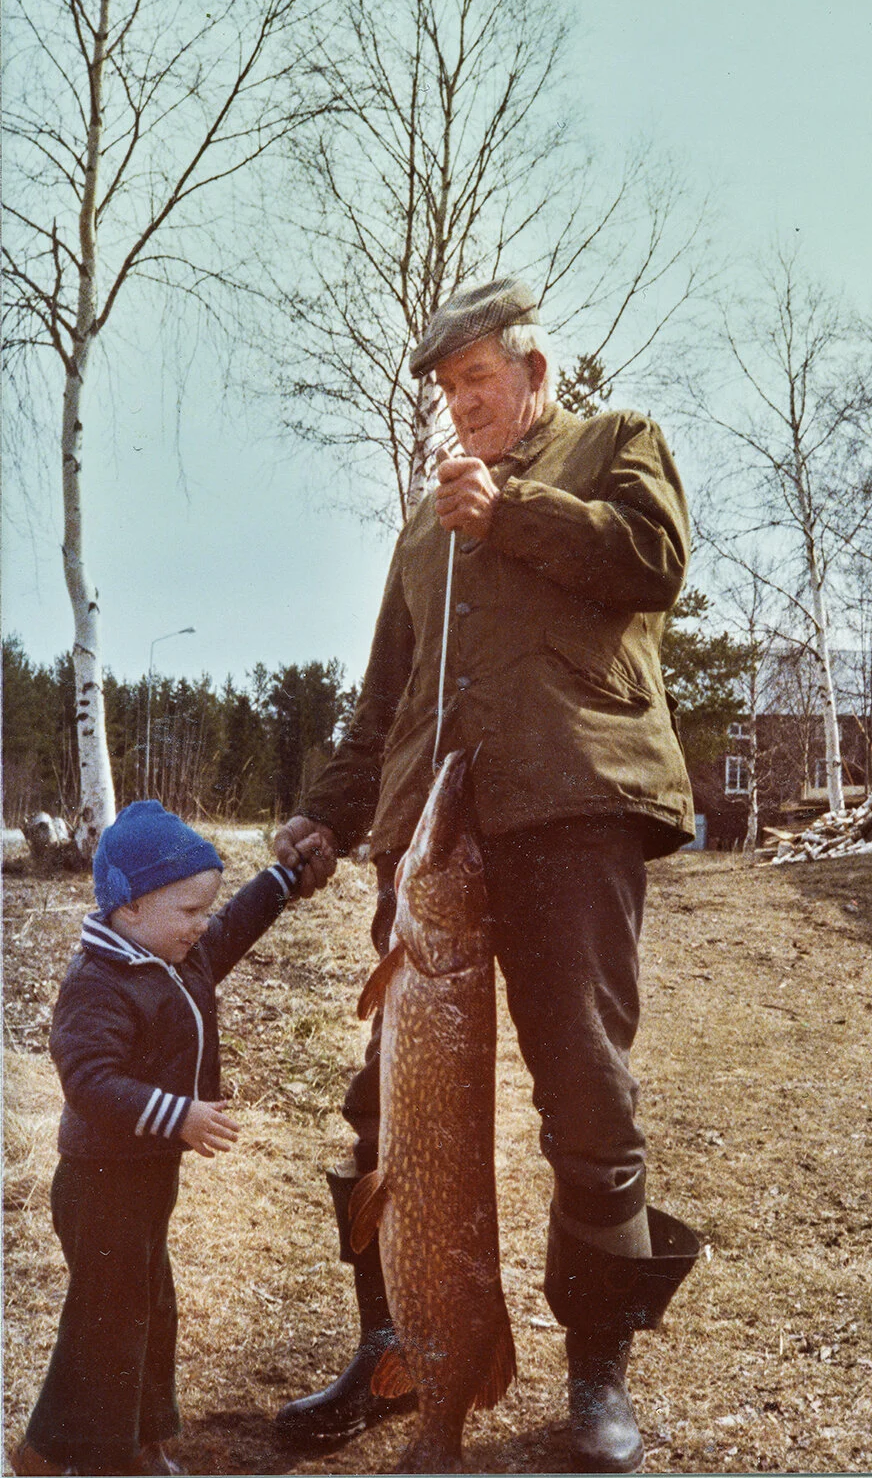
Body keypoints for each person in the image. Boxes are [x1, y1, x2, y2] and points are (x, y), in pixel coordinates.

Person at [273, 278, 701, 1474]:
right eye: (449, 392)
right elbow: (382, 708)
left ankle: (596, 1369)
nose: (462, 408)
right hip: (433, 849)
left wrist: (510, 511)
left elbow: (653, 562)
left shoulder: (619, 446)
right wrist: (322, 814)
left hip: (574, 813)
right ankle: (398, 1345)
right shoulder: (423, 533)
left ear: (534, 373)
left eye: (479, 382)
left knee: (588, 1091)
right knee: (385, 1105)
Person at [11, 800, 321, 1478]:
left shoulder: (174, 949)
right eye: (188, 911)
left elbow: (233, 925)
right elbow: (89, 1079)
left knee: (142, 1311)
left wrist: (282, 880)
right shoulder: (100, 982)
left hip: (146, 1180)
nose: (202, 924)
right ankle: (91, 1457)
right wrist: (176, 1113)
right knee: (111, 1325)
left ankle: (119, 1445)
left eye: (203, 907)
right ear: (128, 909)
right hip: (100, 1183)